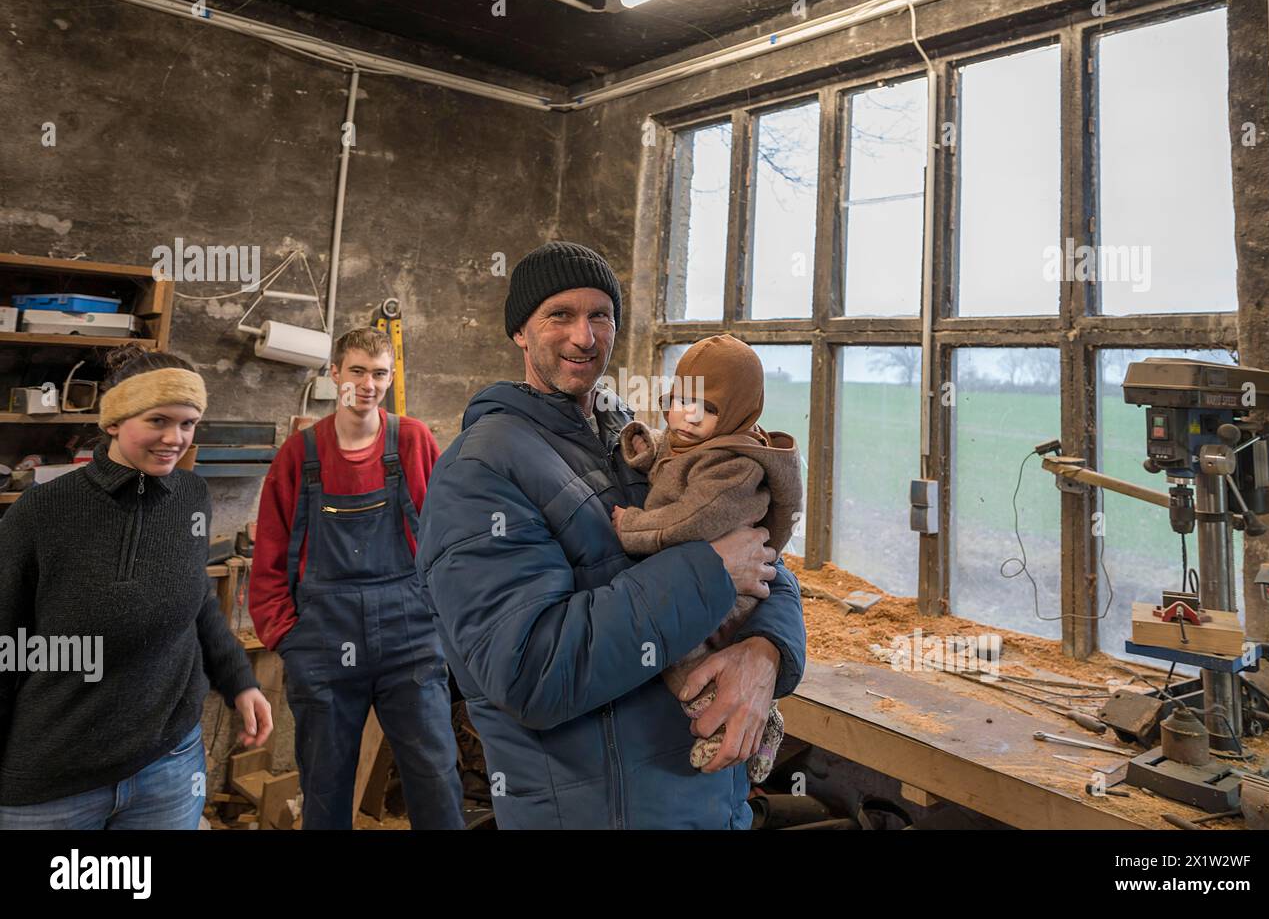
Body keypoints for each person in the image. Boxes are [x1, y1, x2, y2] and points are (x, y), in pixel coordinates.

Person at [417, 241, 806, 829]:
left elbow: (756, 552)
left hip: (709, 806)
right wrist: (708, 575)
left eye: (600, 315)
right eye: (560, 316)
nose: (584, 336)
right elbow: (529, 672)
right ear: (520, 332)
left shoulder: (637, 441)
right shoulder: (481, 471)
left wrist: (767, 650)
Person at [0, 347, 270, 829]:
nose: (175, 439)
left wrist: (239, 680)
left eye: (188, 424)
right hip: (56, 776)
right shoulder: (40, 513)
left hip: (167, 763)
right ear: (114, 421)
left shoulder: (191, 495)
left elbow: (197, 601)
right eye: (158, 421)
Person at [251, 326, 462, 830]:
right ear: (335, 375)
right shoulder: (299, 455)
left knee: (436, 778)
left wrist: (443, 622)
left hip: (409, 641)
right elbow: (269, 555)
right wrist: (287, 638)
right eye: (358, 372)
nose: (368, 384)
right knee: (324, 787)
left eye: (380, 373)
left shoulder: (412, 441)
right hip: (323, 643)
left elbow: (449, 538)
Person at [612, 333, 803, 783]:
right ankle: (764, 721)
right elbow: (677, 458)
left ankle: (728, 730)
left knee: (683, 660)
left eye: (708, 408)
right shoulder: (704, 441)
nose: (688, 415)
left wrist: (631, 527)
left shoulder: (735, 467)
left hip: (732, 589)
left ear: (738, 413)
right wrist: (648, 446)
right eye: (680, 400)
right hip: (708, 577)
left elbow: (691, 518)